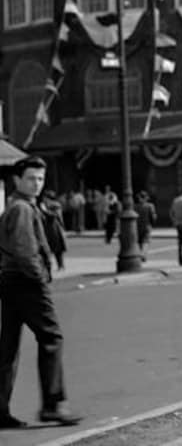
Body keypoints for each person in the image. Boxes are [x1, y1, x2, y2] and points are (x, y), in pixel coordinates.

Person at [0, 156, 82, 428]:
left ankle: (0, 409)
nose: (36, 184)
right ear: (17, 180)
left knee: (8, 348)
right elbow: (25, 252)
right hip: (26, 282)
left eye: (40, 179)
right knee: (51, 338)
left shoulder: (18, 205)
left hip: (10, 281)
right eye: (31, 178)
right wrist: (40, 278)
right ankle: (53, 404)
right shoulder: (22, 209)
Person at [39, 190, 67, 271]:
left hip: (55, 229)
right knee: (47, 248)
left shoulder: (55, 205)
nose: (44, 199)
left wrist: (44, 210)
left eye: (45, 197)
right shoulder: (44, 205)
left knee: (58, 248)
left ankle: (61, 265)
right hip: (47, 229)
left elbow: (54, 215)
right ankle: (47, 266)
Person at [134, 191, 157, 261]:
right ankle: (143, 255)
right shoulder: (150, 206)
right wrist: (153, 224)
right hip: (147, 225)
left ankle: (142, 254)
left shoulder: (135, 206)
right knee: (145, 241)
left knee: (140, 241)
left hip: (138, 226)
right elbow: (153, 217)